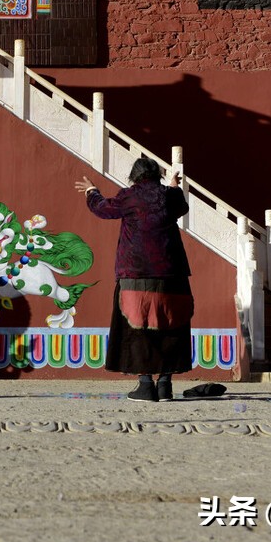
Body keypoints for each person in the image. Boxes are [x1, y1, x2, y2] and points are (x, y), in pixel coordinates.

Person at [75, 157, 193, 401]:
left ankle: (145, 385)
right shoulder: (169, 196)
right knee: (172, 326)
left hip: (135, 272)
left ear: (134, 175)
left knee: (137, 329)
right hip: (172, 273)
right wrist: (173, 186)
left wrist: (92, 191)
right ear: (157, 175)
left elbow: (103, 208)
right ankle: (165, 385)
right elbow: (181, 207)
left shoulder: (129, 196)